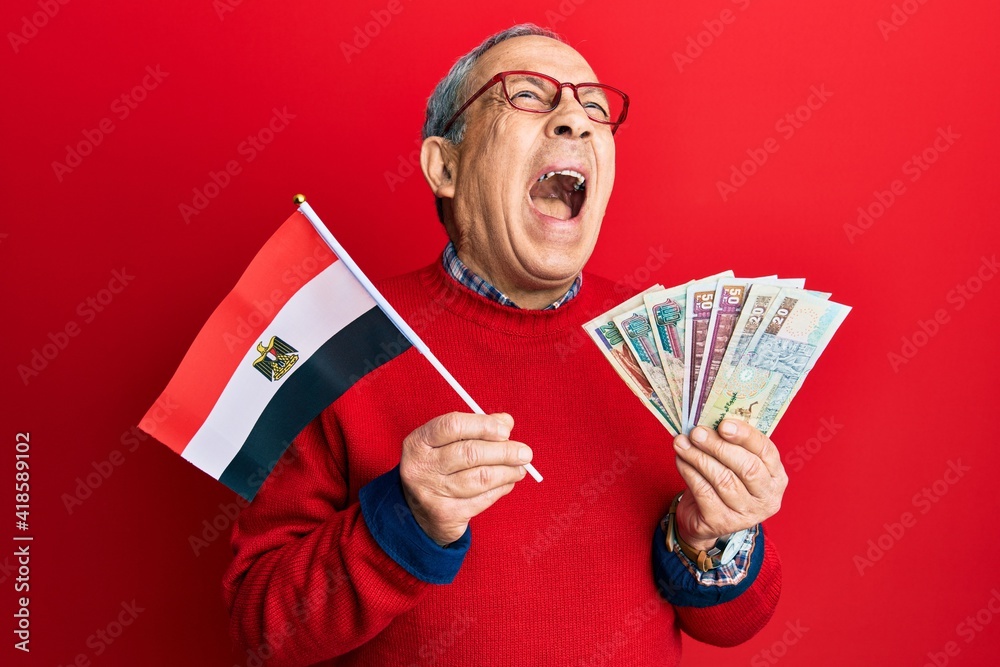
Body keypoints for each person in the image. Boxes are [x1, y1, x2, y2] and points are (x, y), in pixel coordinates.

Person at [223, 24, 787, 667]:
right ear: (445, 167)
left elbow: (735, 623)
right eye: (528, 95)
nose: (575, 118)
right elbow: (261, 630)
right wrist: (404, 521)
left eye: (594, 106)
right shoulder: (345, 340)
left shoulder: (670, 340)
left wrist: (713, 535)